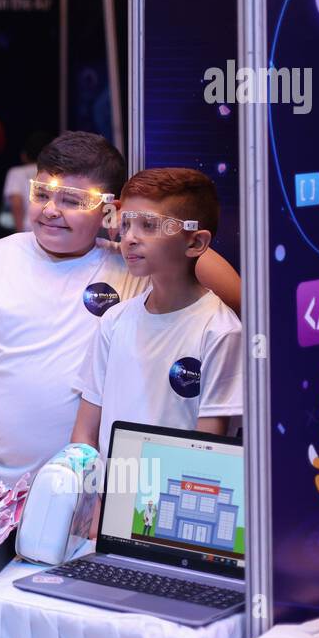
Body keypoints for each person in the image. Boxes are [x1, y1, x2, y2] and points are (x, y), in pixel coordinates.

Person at [0, 133, 242, 486]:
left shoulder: (127, 265)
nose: (51, 210)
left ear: (109, 208)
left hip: (91, 489)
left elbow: (231, 291)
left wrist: (130, 222)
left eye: (72, 200)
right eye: (42, 194)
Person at [71, 167, 244, 460]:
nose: (130, 238)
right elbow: (84, 434)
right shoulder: (114, 320)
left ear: (195, 242)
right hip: (104, 497)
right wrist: (90, 497)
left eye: (149, 225)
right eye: (126, 224)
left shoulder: (220, 330)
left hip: (175, 498)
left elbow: (207, 453)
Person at [2, 130, 54, 232]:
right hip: (51, 227)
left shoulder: (16, 173)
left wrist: (19, 232)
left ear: (24, 155)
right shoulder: (54, 173)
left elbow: (16, 203)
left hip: (28, 228)